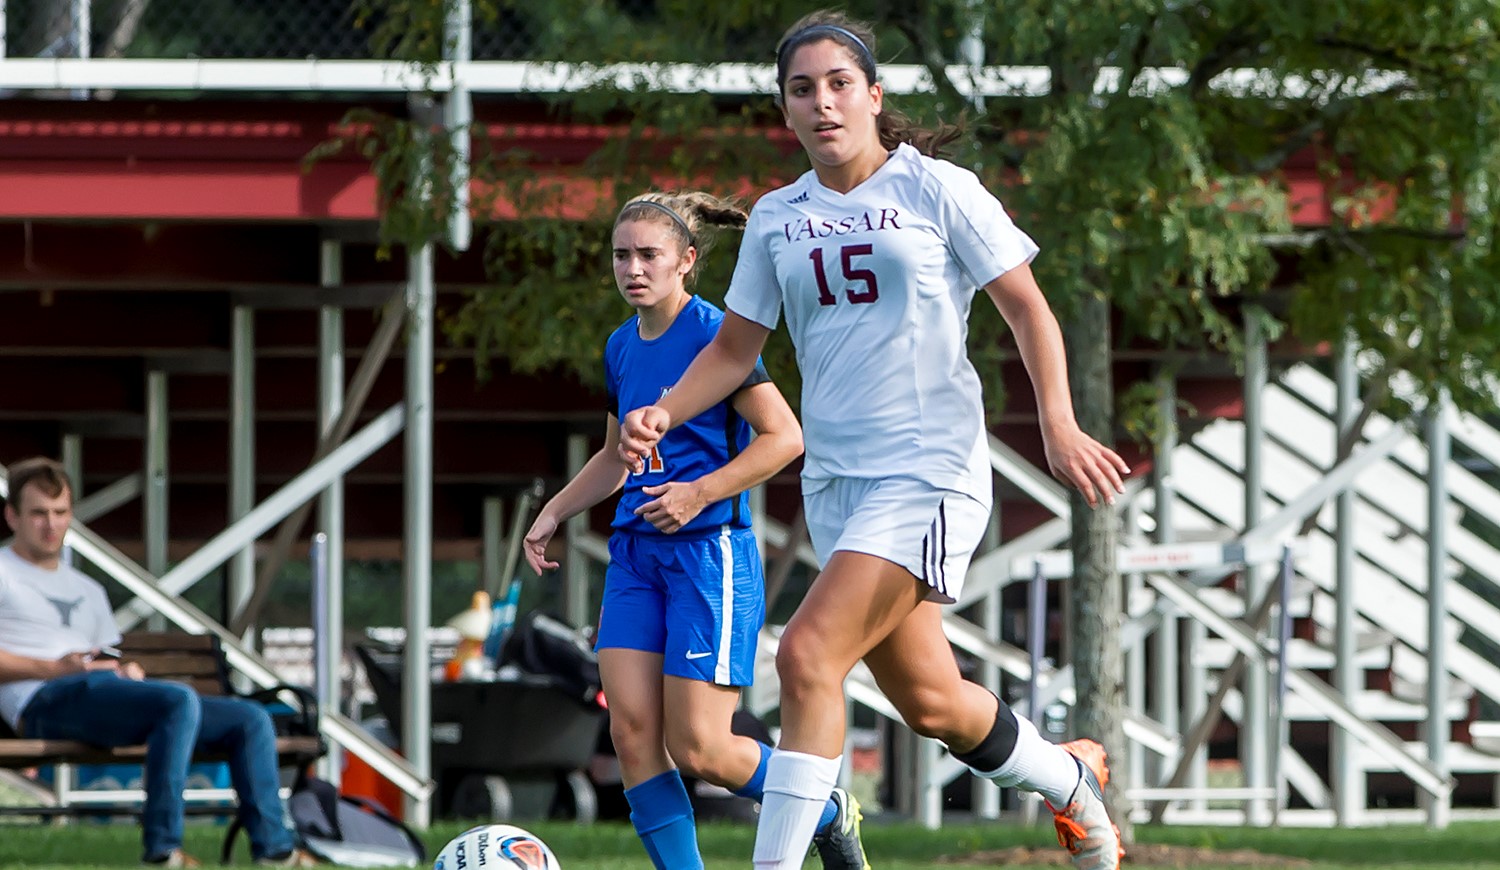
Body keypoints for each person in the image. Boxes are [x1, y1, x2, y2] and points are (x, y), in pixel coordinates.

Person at [619, 12, 1132, 870]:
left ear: (873, 95)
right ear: (784, 109)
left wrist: (1060, 421)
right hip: (838, 486)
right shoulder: (779, 217)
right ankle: (1069, 777)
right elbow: (735, 353)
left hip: (929, 474)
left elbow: (1029, 309)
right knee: (931, 702)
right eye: (802, 89)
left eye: (839, 84)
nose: (822, 102)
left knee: (811, 654)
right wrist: (664, 410)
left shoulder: (938, 189)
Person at [523, 191, 869, 870]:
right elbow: (613, 456)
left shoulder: (718, 337)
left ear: (687, 261)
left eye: (648, 255)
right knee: (629, 731)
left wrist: (697, 494)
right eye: (621, 255)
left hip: (710, 556)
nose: (633, 268)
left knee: (703, 748)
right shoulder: (620, 346)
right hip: (633, 558)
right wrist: (557, 510)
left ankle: (824, 805)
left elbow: (784, 438)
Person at [0, 457, 315, 868]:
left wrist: (125, 671)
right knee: (178, 700)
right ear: (12, 516)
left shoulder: (88, 588)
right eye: (38, 513)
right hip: (42, 702)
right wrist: (57, 669)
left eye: (60, 513)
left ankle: (274, 850)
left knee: (249, 718)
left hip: (103, 697)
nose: (51, 524)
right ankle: (163, 848)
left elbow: (106, 657)